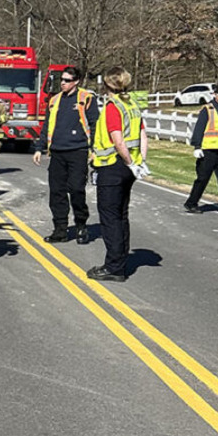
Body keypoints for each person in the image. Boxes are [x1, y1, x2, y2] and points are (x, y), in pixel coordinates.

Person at [86, 66, 148, 283]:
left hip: (113, 165)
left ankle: (114, 267)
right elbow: (142, 133)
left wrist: (130, 162)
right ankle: (119, 262)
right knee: (121, 216)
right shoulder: (132, 104)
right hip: (128, 167)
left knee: (110, 218)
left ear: (106, 84)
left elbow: (117, 139)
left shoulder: (113, 106)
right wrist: (140, 161)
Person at [32, 66, 99, 244]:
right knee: (57, 193)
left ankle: (81, 225)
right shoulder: (54, 100)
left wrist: (94, 150)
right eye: (61, 79)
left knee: (76, 189)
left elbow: (95, 126)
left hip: (78, 151)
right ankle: (60, 230)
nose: (63, 83)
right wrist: (39, 148)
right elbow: (46, 126)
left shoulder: (86, 99)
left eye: (67, 80)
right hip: (57, 153)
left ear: (76, 82)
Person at [183, 83, 218, 214]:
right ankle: (191, 203)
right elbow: (199, 129)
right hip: (209, 151)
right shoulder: (208, 109)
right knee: (202, 178)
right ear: (215, 94)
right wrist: (197, 146)